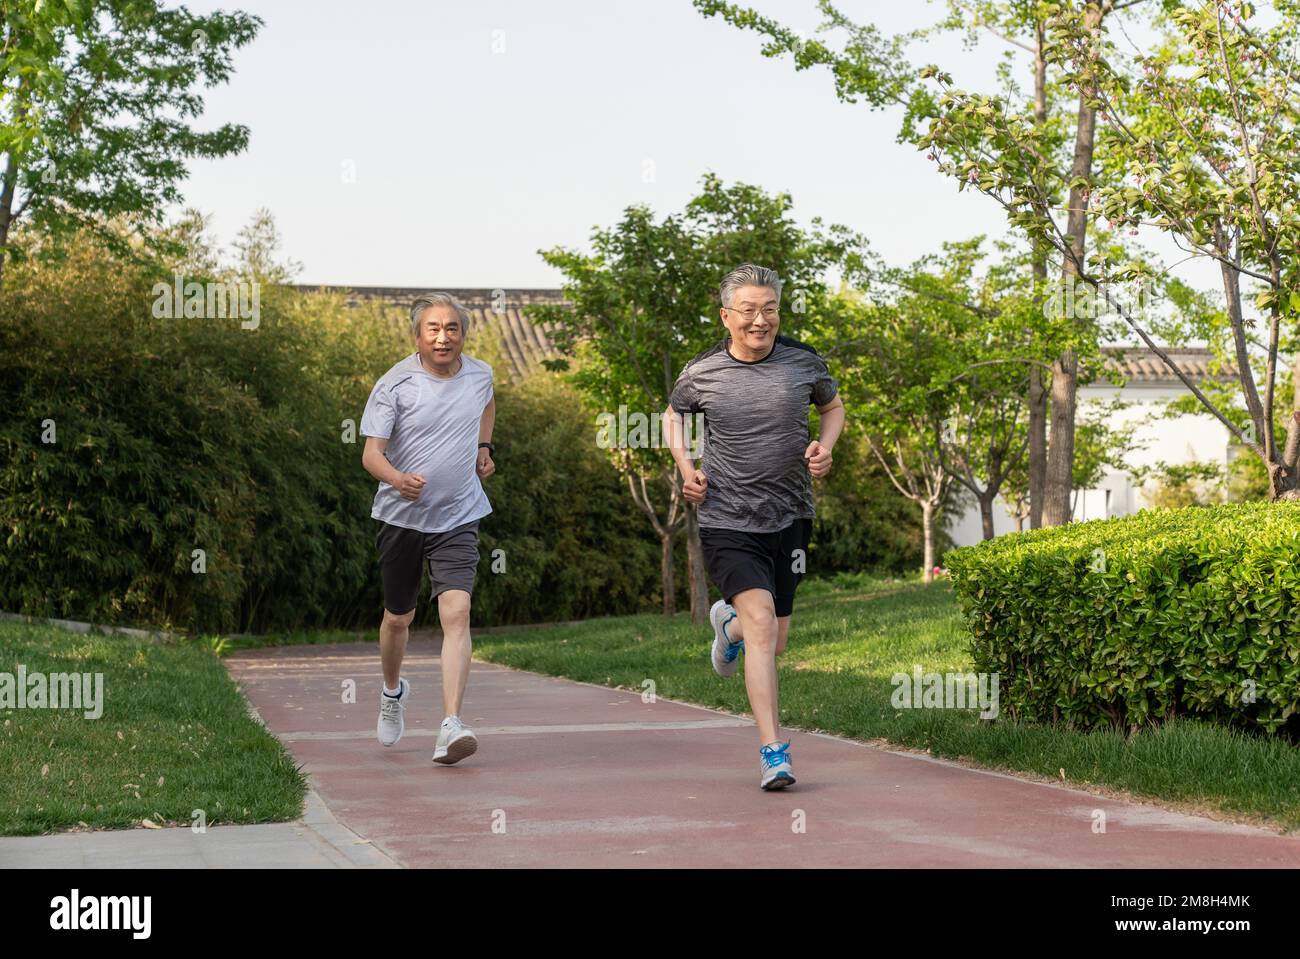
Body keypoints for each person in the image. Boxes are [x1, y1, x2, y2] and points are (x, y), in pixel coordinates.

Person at [664, 264, 845, 790]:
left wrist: (825, 448)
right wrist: (686, 469)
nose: (759, 319)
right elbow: (674, 416)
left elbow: (832, 410)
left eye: (769, 308)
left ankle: (728, 626)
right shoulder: (702, 372)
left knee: (775, 637)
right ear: (727, 316)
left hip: (790, 517)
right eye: (748, 309)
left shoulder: (803, 361)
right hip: (727, 518)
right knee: (763, 624)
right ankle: (773, 751)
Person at [360, 292, 496, 765]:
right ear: (417, 336)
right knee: (399, 618)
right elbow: (370, 454)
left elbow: (487, 404)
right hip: (401, 517)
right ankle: (392, 691)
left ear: (463, 334)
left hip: (459, 514)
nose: (444, 336)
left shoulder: (480, 374)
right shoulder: (394, 385)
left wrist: (483, 447)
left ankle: (450, 724)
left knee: (456, 612)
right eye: (433, 329)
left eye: (452, 328)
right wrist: (397, 479)